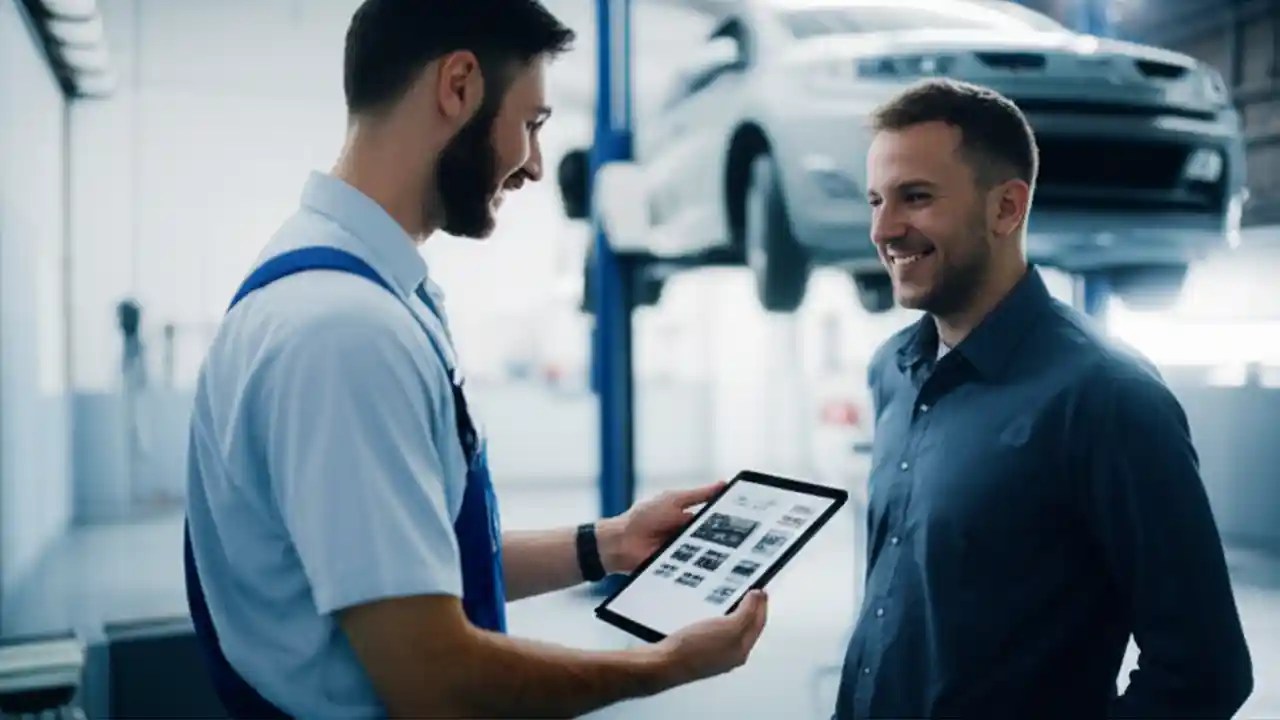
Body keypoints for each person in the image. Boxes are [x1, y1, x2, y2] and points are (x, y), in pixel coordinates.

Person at [182, 1, 768, 717]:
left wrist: (607, 544)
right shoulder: (345, 333)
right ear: (458, 86)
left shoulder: (349, 291)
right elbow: (434, 679)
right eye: (532, 125)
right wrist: (661, 667)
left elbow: (411, 567)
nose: (536, 167)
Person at [834, 78, 1254, 719]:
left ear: (1007, 209)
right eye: (875, 201)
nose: (884, 229)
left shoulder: (1107, 398)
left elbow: (1205, 670)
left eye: (915, 198)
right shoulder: (893, 368)